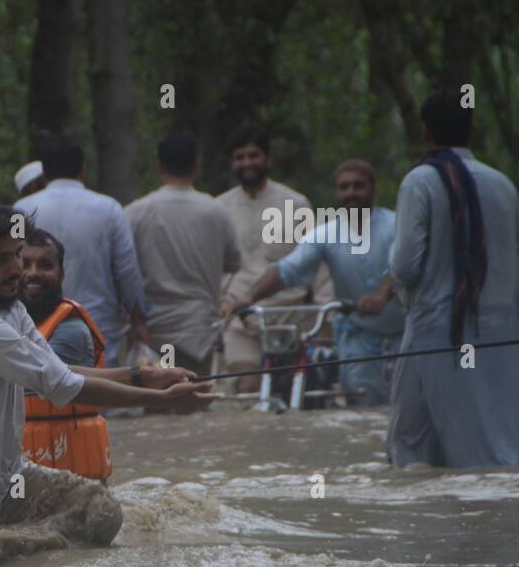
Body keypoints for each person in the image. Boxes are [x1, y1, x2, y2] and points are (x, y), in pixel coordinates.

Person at [0, 202, 212, 567]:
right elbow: (64, 387)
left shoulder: (8, 308)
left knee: (99, 512)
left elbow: (55, 369)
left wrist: (141, 375)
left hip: (5, 481)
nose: (15, 270)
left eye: (17, 255)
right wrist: (161, 400)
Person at [387, 93, 519, 467]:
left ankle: (433, 518)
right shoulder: (503, 184)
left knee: (415, 439)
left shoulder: (421, 181)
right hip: (501, 330)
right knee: (497, 425)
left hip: (437, 328)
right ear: (471, 130)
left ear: (425, 132)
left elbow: (405, 265)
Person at [236, 159, 404, 405]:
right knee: (362, 408)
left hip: (407, 334)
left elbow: (401, 266)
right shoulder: (325, 233)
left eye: (359, 186)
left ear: (373, 190)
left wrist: (381, 296)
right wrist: (249, 297)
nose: (351, 193)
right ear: (336, 192)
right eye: (344, 187)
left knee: (412, 408)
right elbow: (287, 270)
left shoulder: (396, 225)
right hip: (358, 337)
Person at [15, 136, 150, 365]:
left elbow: (10, 264)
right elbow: (126, 271)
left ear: (44, 173)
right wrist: (139, 322)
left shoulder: (21, 211)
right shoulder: (110, 210)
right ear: (82, 169)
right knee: (97, 396)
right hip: (97, 331)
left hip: (36, 329)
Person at [217, 128, 333, 391]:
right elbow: (211, 267)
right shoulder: (219, 208)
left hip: (289, 319)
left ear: (267, 159)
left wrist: (325, 312)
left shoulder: (295, 203)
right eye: (240, 157)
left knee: (292, 390)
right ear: (232, 163)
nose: (247, 163)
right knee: (248, 387)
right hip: (240, 319)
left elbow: (317, 259)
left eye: (253, 156)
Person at [126, 131, 241, 375]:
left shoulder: (136, 212)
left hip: (154, 331)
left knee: (158, 403)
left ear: (159, 166)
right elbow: (233, 263)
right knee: (196, 402)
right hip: (200, 329)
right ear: (196, 166)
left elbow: (123, 269)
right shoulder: (217, 211)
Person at [17, 228, 113, 479]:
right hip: (29, 475)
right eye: (24, 264)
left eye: (44, 265)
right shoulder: (8, 323)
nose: (33, 273)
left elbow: (35, 379)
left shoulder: (71, 331)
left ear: (61, 274)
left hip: (75, 482)